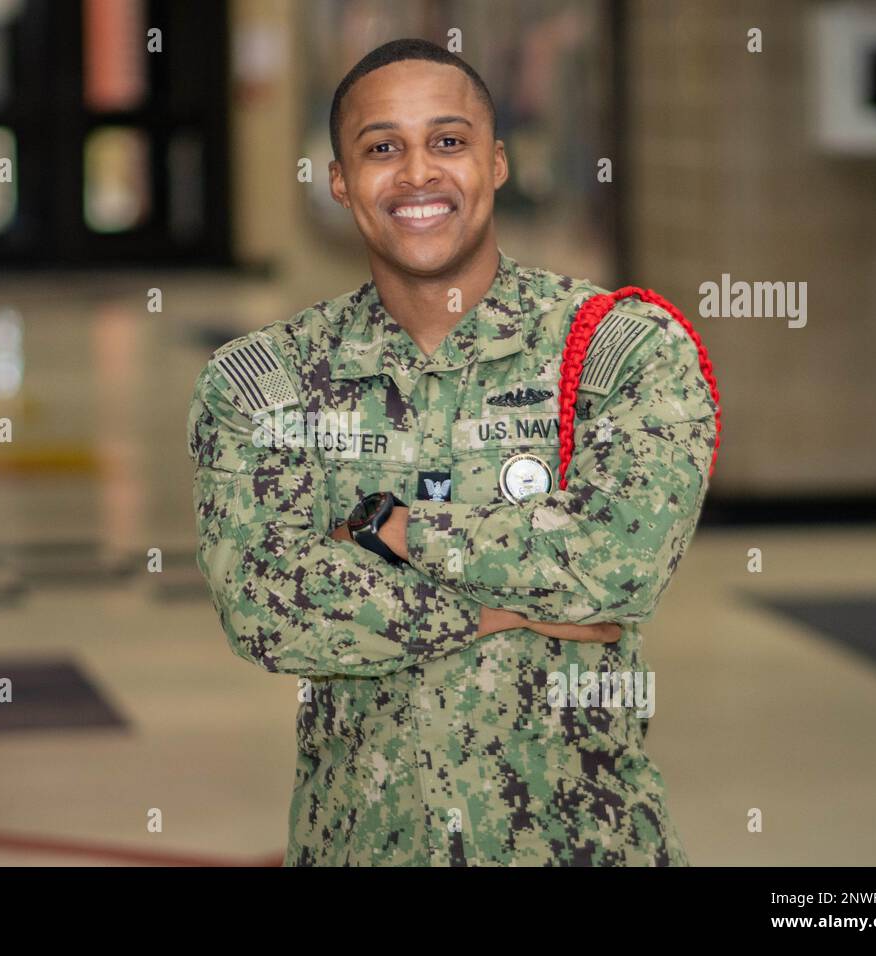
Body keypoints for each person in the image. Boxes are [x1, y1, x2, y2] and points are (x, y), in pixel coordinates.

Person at [187, 38, 719, 865]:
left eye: (447, 141)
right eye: (381, 149)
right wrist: (515, 605)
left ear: (496, 163)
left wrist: (392, 535)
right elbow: (265, 611)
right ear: (339, 182)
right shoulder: (269, 384)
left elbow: (622, 563)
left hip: (586, 846)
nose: (416, 176)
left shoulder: (618, 349)